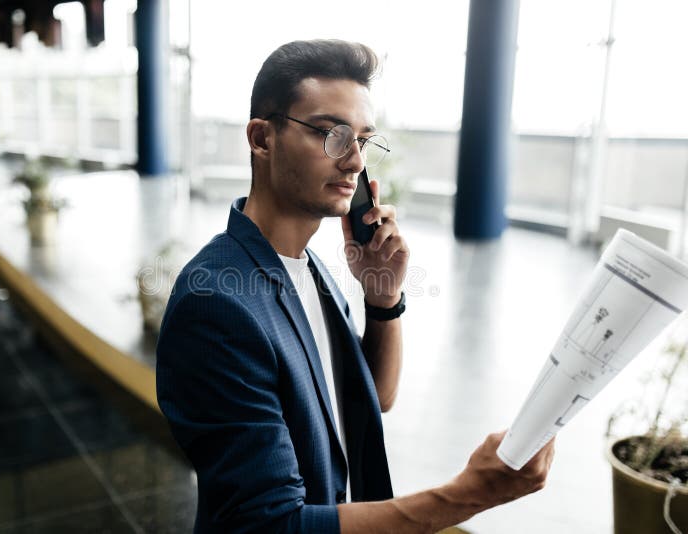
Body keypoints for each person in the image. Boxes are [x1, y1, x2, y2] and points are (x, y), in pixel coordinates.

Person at [155, 39, 555, 533]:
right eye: (332, 135)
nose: (355, 163)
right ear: (262, 138)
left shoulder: (312, 270)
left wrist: (383, 300)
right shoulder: (215, 303)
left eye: (363, 141)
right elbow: (269, 526)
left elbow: (370, 397)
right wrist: (467, 495)